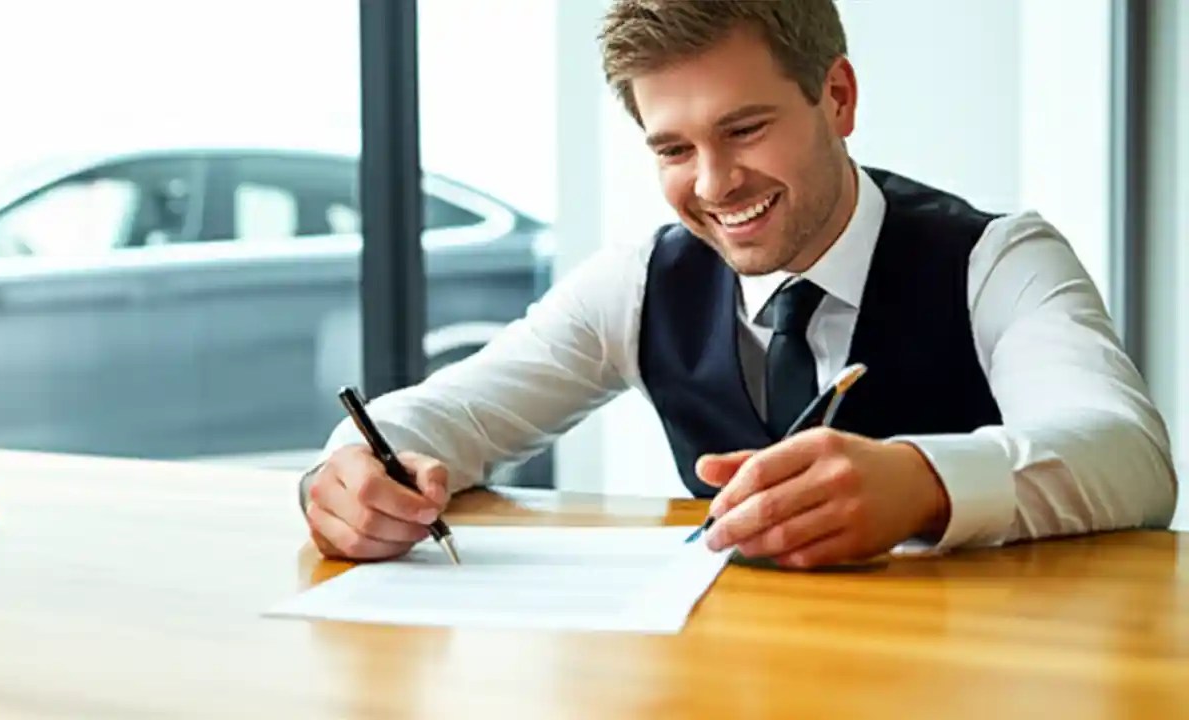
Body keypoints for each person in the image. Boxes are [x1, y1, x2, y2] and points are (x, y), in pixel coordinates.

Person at [299, 0, 1177, 569]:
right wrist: (347, 472)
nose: (715, 185)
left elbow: (1130, 456)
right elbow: (450, 415)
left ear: (836, 97)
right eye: (674, 150)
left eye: (745, 129)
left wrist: (922, 481)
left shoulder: (998, 258)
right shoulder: (638, 282)